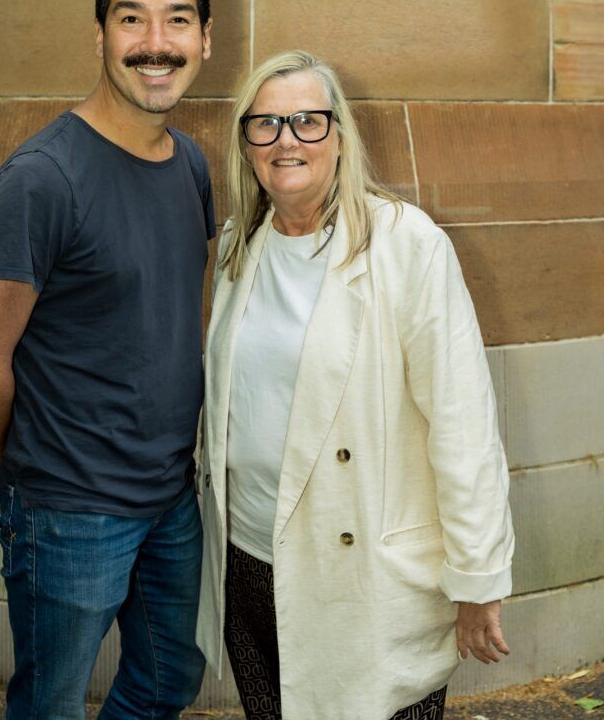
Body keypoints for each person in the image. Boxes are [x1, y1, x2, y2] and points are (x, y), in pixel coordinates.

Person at [196, 50, 514, 720]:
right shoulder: (237, 244)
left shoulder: (407, 246)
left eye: (308, 120)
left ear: (339, 135)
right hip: (250, 561)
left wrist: (477, 578)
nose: (287, 139)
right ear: (246, 143)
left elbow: (462, 423)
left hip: (364, 576)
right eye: (266, 123)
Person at [0, 0, 215, 720]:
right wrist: (15, 486)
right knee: (51, 706)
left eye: (177, 19)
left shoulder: (195, 164)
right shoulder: (40, 181)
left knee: (169, 678)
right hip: (68, 510)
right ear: (99, 33)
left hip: (170, 496)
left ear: (207, 37)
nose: (155, 42)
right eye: (131, 18)